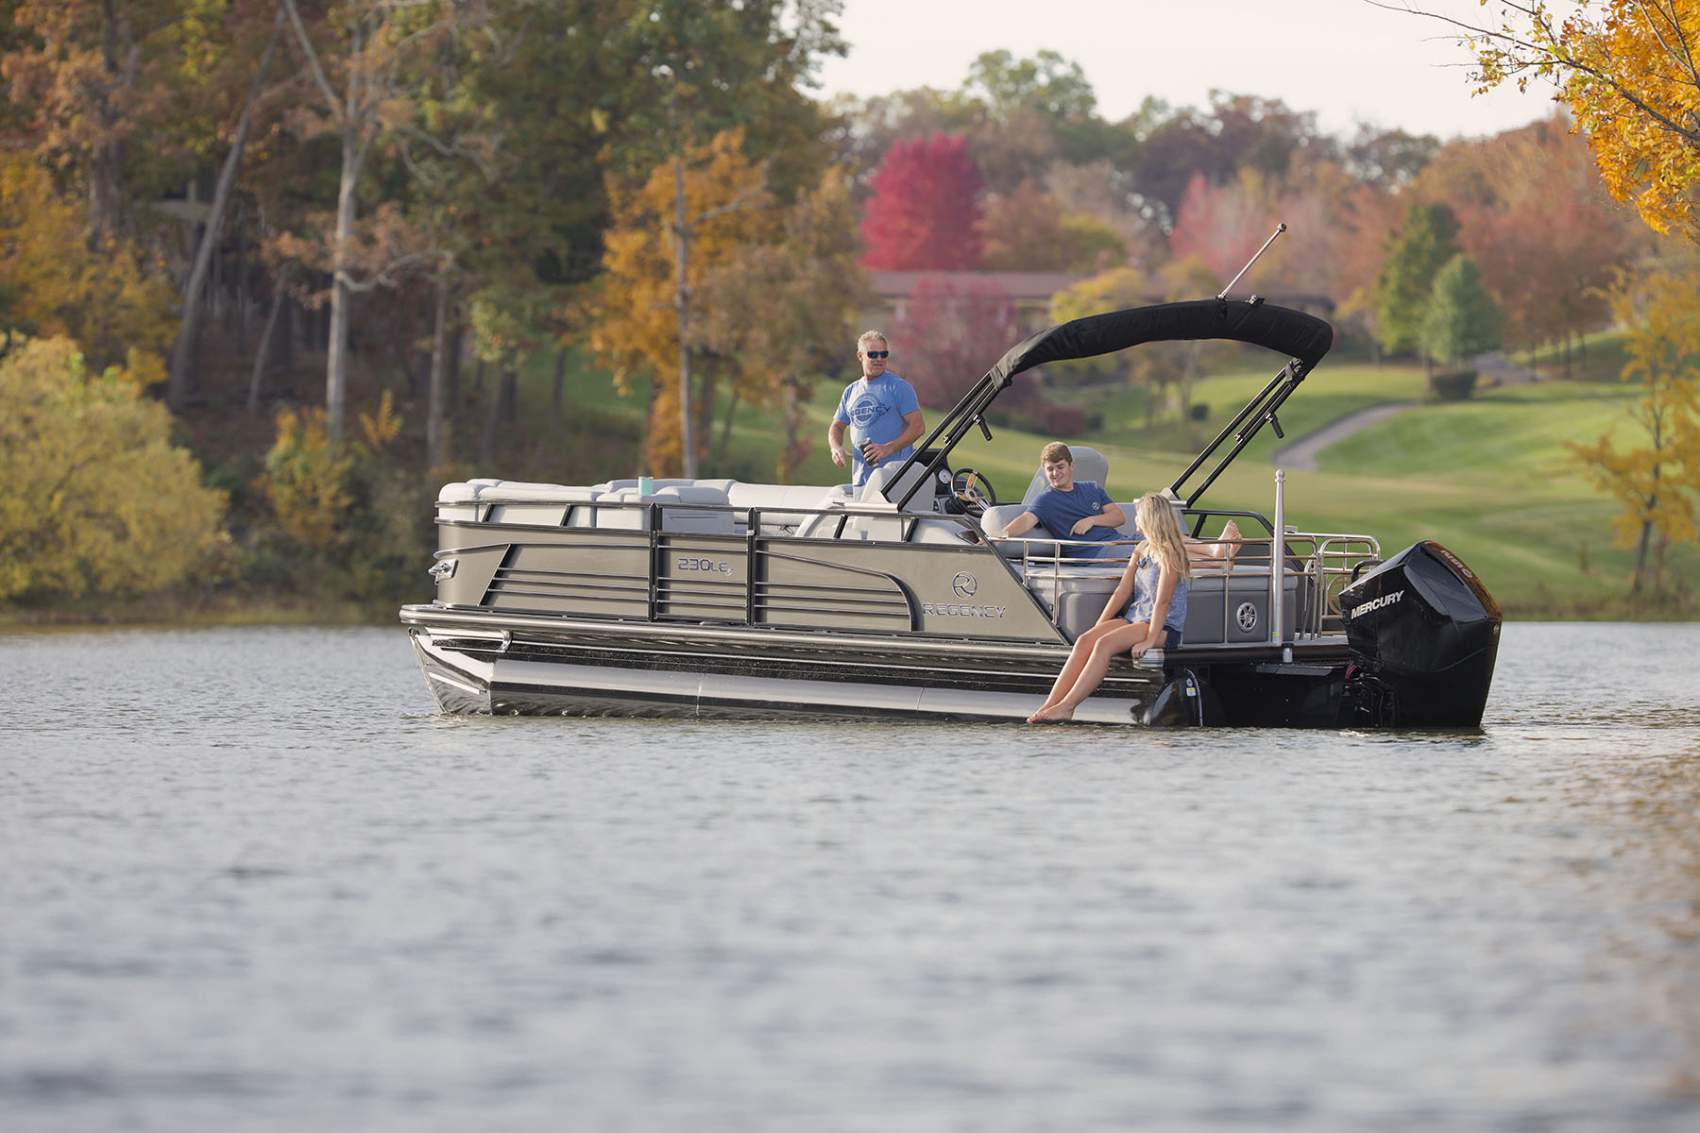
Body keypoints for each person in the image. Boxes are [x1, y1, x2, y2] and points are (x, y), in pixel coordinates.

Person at [1027, 493, 1194, 724]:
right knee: (1086, 640)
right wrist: (1101, 624)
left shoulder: (1169, 554)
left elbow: (1162, 603)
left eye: (1138, 517)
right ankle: (1049, 705)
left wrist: (1149, 640)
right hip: (1137, 618)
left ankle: (1067, 707)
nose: (1135, 521)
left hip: (1162, 626)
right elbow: (1122, 591)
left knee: (1104, 645)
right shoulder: (1142, 548)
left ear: (1150, 519)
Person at [988, 442, 1127, 559]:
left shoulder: (1093, 488)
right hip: (1097, 554)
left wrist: (1090, 521)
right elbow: (1025, 521)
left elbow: (1118, 517)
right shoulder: (1046, 500)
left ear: (1071, 466)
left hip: (1121, 544)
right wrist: (994, 538)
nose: (1055, 473)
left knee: (1147, 544)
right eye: (1050, 469)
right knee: (1146, 552)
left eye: (1060, 467)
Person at [829, 331, 925, 489]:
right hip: (860, 481)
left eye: (884, 354)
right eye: (873, 354)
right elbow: (836, 427)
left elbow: (918, 427)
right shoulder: (851, 391)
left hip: (895, 479)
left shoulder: (899, 387)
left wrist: (887, 448)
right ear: (860, 356)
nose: (879, 359)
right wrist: (836, 447)